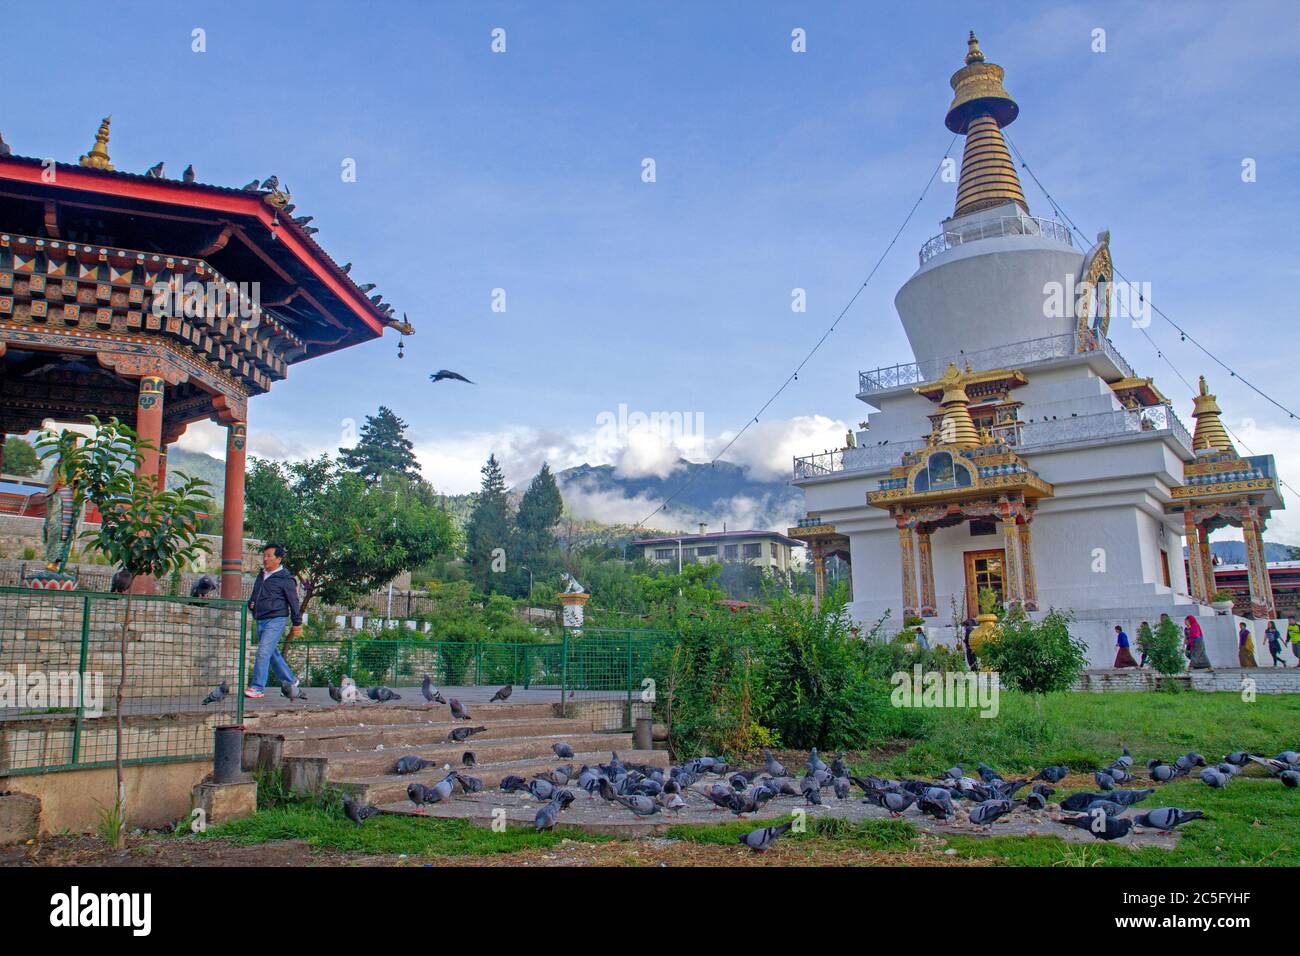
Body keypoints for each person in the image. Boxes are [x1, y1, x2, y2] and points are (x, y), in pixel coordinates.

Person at [245, 543, 303, 699]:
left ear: (278, 559)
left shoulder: (285, 578)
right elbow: (255, 595)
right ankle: (291, 680)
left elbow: (294, 601)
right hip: (260, 618)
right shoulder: (262, 575)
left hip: (276, 618)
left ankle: (257, 687)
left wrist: (297, 623)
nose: (265, 559)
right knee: (271, 653)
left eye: (269, 556)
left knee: (263, 651)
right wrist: (251, 604)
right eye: (264, 556)